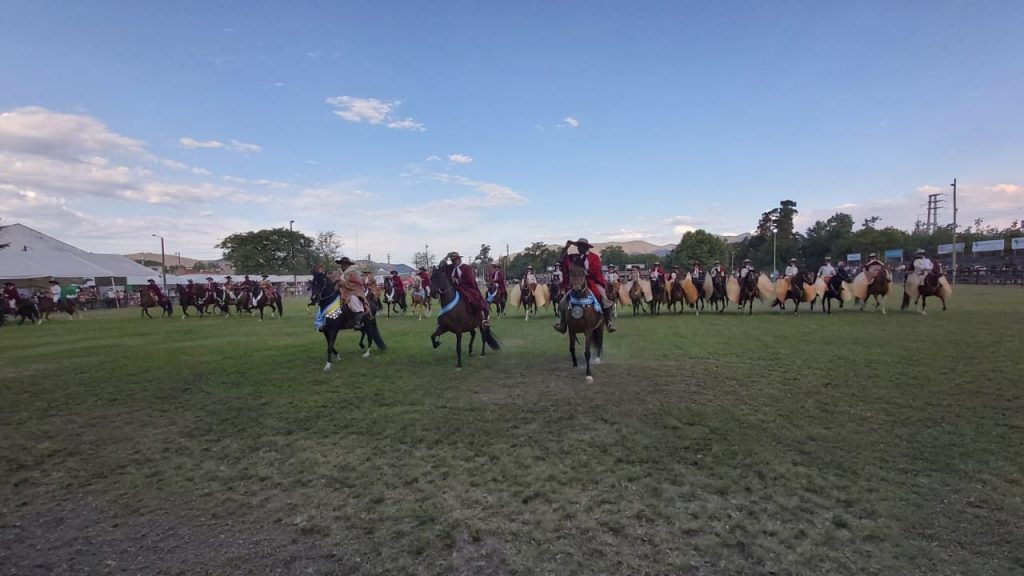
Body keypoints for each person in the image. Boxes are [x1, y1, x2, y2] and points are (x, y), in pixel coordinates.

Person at [553, 238, 615, 333]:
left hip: (592, 282)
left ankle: (609, 323)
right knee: (563, 301)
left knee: (604, 297)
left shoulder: (594, 257)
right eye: (578, 247)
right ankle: (562, 325)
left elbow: (596, 270)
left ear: (586, 247)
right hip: (577, 283)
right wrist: (565, 248)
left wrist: (585, 272)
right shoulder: (574, 257)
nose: (579, 249)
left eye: (581, 247)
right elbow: (562, 259)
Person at [440, 251, 489, 326]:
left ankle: (481, 317)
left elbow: (470, 279)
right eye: (452, 260)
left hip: (466, 288)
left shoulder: (466, 267)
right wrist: (446, 257)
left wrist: (457, 280)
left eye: (455, 260)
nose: (453, 262)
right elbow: (441, 265)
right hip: (454, 288)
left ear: (459, 259)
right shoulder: (450, 268)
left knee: (473, 299)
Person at [332, 256, 369, 328]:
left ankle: (358, 319)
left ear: (348, 265)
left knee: (353, 299)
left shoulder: (353, 273)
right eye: (342, 264)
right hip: (339, 290)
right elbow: (332, 279)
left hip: (352, 291)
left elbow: (358, 283)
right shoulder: (338, 272)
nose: (343, 265)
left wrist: (344, 284)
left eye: (345, 264)